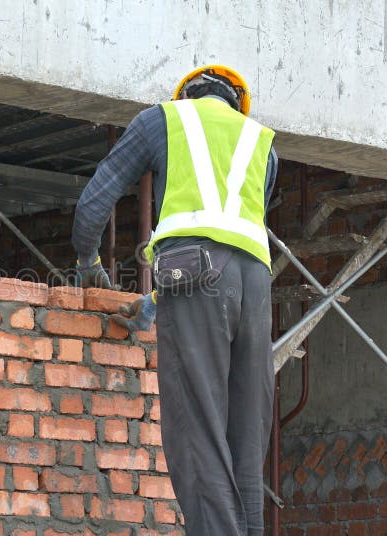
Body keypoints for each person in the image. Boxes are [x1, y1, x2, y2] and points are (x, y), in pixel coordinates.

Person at [72, 65, 278, 535]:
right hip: (258, 290)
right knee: (245, 446)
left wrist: (88, 263)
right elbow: (228, 242)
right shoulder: (263, 142)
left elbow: (94, 204)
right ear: (237, 102)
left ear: (184, 95)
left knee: (198, 433)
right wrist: (155, 303)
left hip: (198, 282)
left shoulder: (162, 121)